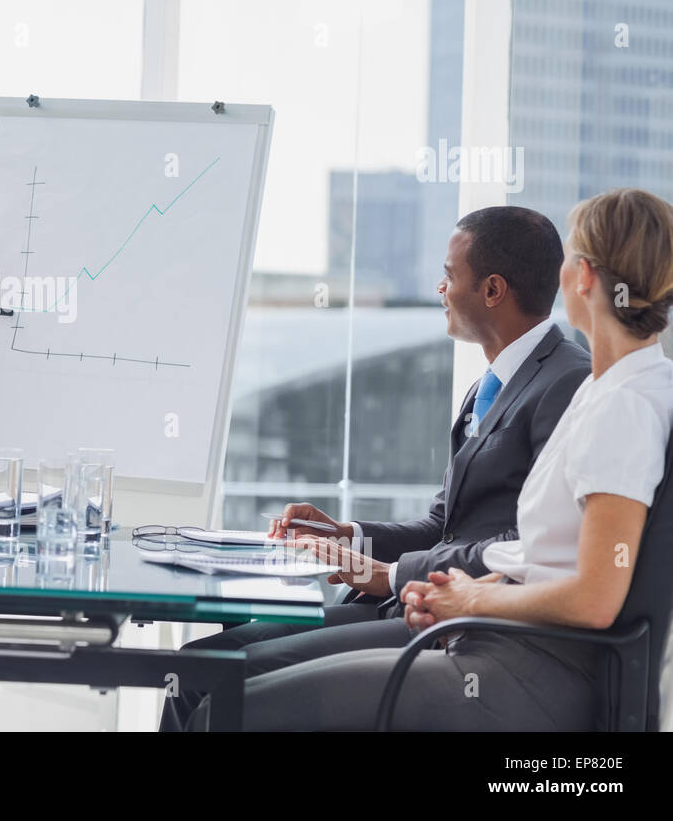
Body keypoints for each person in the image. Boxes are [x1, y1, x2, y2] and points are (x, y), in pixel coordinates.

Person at [186, 187, 673, 731]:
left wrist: (461, 596)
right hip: (495, 637)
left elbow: (596, 598)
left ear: (582, 276)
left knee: (224, 709)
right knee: (219, 695)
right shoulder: (608, 390)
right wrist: (448, 589)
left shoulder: (622, 403)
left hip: (526, 667)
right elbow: (540, 557)